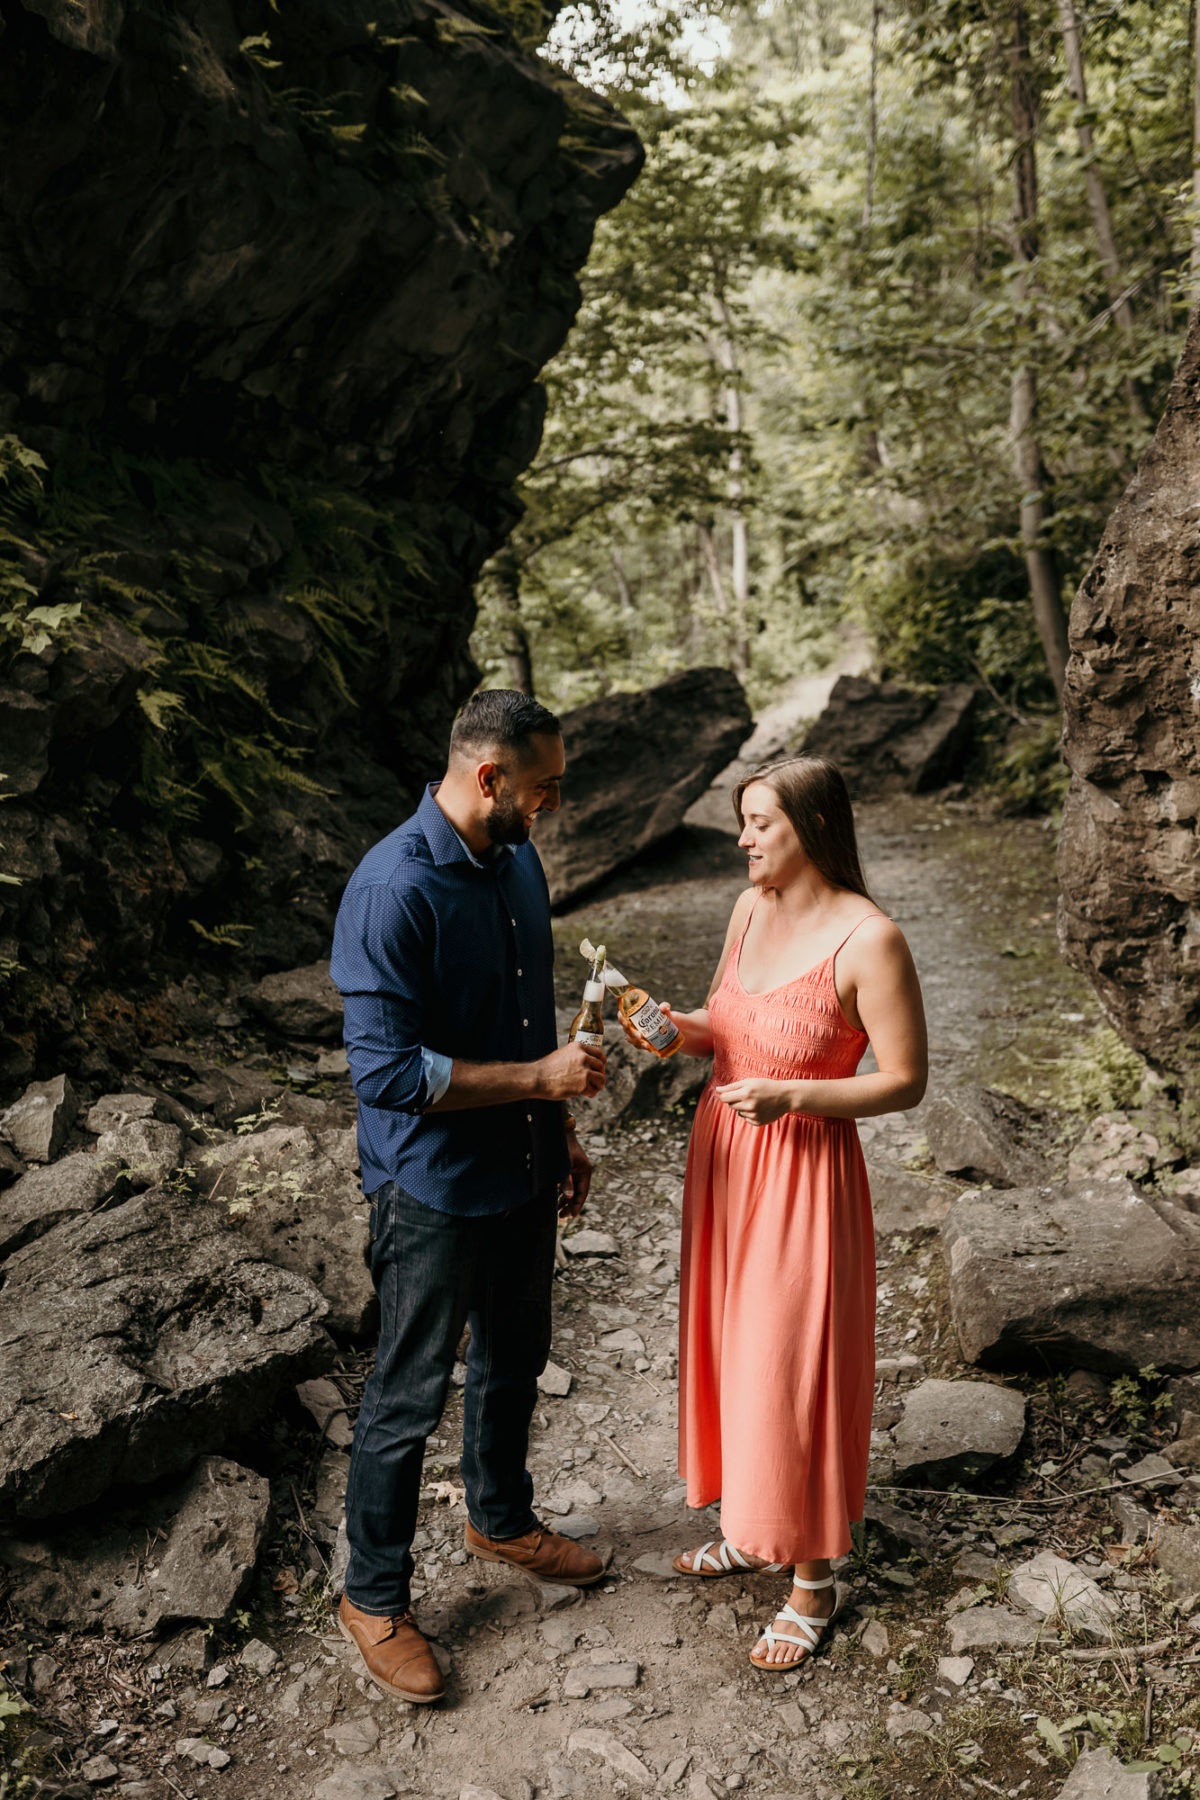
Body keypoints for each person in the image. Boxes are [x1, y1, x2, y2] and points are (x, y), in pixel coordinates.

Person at [330, 689, 609, 1705]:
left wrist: (560, 1127)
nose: (554, 807)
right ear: (489, 777)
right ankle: (373, 1595)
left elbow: (530, 1021)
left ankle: (500, 1518)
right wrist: (539, 1083)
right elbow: (387, 1075)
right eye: (544, 788)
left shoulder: (516, 860)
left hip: (523, 1169)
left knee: (515, 1356)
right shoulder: (391, 891)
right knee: (406, 1397)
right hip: (430, 1188)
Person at [654, 755, 927, 1672]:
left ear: (811, 828)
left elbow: (905, 1081)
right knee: (733, 1349)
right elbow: (725, 1029)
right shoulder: (746, 911)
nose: (742, 839)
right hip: (725, 1158)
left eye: (759, 822)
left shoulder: (869, 941)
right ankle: (750, 1522)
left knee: (790, 1365)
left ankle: (815, 1581)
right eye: (742, 820)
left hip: (804, 1174)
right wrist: (671, 1028)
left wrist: (797, 1097)